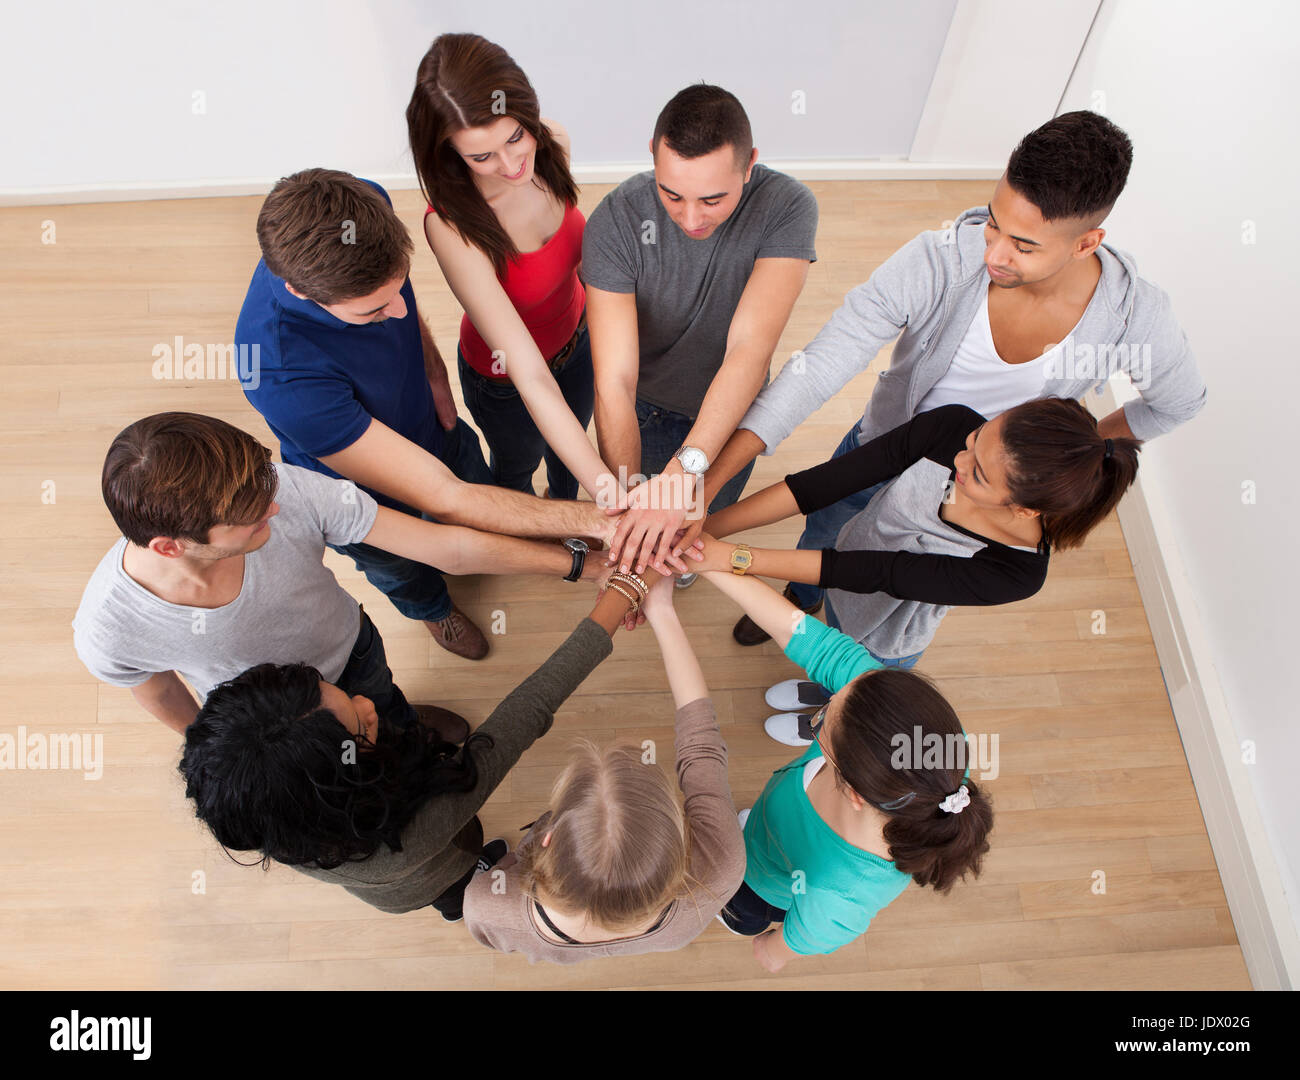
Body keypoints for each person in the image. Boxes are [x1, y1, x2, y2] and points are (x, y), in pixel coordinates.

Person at [683, 111, 1204, 636]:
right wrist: (704, 491)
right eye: (995, 223)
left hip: (973, 493)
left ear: (1086, 243)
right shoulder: (939, 261)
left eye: (1023, 246)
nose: (994, 253)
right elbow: (819, 367)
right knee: (827, 529)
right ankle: (803, 598)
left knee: (876, 589)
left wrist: (1080, 452)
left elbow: (1178, 403)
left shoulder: (1136, 317)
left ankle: (824, 629)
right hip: (883, 446)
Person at [236, 168, 622, 660]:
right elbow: (444, 497)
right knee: (401, 569)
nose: (397, 312)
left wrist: (435, 370)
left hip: (434, 428)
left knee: (486, 514)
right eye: (373, 312)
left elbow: (457, 494)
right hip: (359, 498)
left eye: (400, 290)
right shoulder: (279, 372)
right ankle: (435, 611)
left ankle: (492, 555)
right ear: (301, 292)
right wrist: (601, 527)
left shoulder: (364, 206)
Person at [72, 413, 612, 736]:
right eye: (251, 520)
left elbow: (445, 547)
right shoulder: (108, 628)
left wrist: (580, 564)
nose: (276, 511)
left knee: (385, 704)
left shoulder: (282, 489)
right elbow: (159, 692)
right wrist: (216, 750)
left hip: (351, 649)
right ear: (170, 546)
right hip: (276, 725)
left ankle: (398, 727)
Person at [178, 570, 650, 921]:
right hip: (431, 873)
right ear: (347, 785)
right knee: (459, 876)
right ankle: (464, 893)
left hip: (389, 893)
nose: (367, 703)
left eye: (334, 688)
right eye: (361, 727)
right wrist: (623, 592)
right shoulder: (424, 826)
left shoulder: (268, 811)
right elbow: (527, 712)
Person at [690, 399, 1140, 688]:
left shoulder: (1015, 574)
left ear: (1025, 509)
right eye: (976, 441)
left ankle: (823, 708)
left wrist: (734, 559)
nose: (958, 460)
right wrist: (708, 526)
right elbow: (824, 484)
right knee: (826, 638)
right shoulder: (951, 427)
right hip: (843, 568)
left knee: (852, 685)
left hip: (884, 631)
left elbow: (881, 573)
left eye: (978, 474)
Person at [701, 568, 992, 973]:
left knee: (738, 908)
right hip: (771, 832)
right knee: (758, 832)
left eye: (819, 723)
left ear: (854, 792)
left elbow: (772, 954)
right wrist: (709, 563)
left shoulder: (835, 896)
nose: (818, 716)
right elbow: (818, 647)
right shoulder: (929, 744)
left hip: (759, 889)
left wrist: (770, 944)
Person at [584, 83, 819, 581]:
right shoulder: (615, 219)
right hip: (641, 413)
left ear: (750, 164)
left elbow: (748, 351)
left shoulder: (787, 206)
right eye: (672, 194)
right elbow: (614, 382)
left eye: (713, 199)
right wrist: (629, 502)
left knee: (690, 538)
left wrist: (683, 472)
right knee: (642, 525)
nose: (691, 218)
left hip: (731, 415)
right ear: (652, 156)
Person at [463, 573, 745, 961]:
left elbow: (703, 749)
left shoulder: (486, 902)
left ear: (547, 839)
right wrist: (662, 610)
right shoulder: (723, 867)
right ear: (680, 843)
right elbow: (702, 749)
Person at [408, 33, 607, 506]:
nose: (512, 164)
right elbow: (531, 376)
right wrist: (611, 493)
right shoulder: (452, 226)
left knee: (568, 455)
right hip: (506, 381)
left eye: (516, 136)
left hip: (576, 344)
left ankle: (564, 508)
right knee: (517, 467)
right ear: (451, 155)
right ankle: (532, 531)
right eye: (482, 157)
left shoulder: (552, 140)